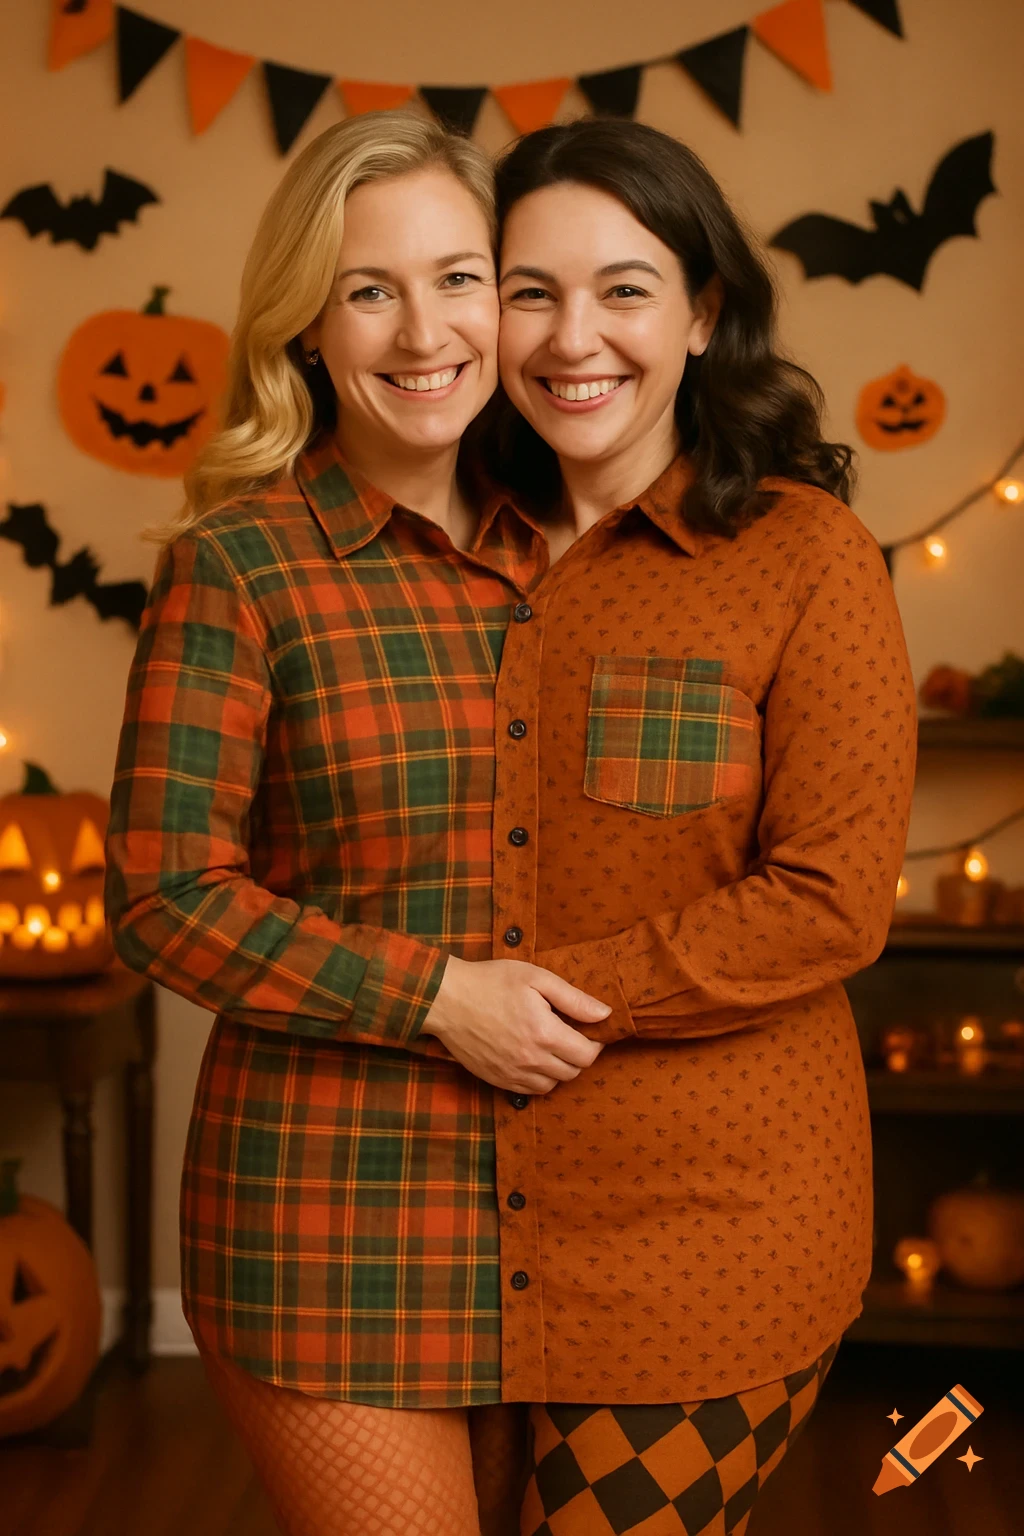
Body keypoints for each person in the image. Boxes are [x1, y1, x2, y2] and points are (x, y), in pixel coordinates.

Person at [105, 111, 610, 1536]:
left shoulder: (574, 545)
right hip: (331, 1220)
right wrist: (439, 998)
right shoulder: (240, 565)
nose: (422, 331)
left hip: (574, 1219)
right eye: (368, 289)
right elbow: (162, 895)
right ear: (307, 327)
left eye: (459, 278)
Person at [472, 118, 917, 1535]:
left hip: (709, 1233)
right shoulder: (433, 553)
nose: (572, 338)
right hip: (431, 1222)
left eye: (625, 288)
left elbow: (831, 899)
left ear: (704, 311)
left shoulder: (805, 556)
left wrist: (524, 999)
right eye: (530, 291)